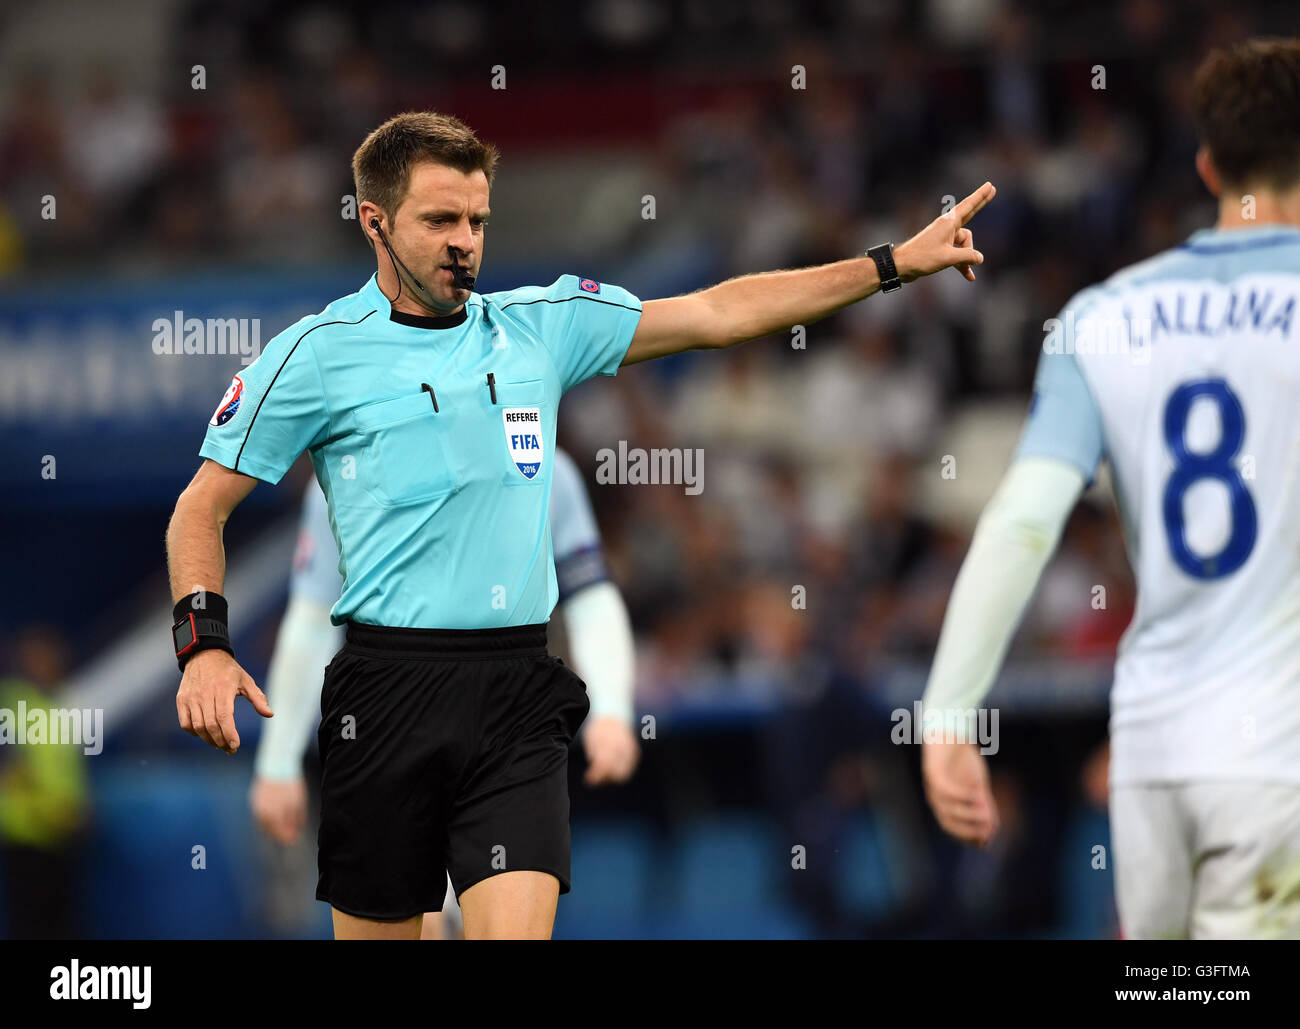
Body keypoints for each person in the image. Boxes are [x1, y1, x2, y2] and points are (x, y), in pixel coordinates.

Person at [166, 109, 993, 939]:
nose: (465, 242)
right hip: (385, 697)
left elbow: (718, 313)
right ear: (373, 222)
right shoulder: (314, 355)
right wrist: (203, 645)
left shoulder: (542, 326)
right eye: (440, 220)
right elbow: (200, 508)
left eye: (478, 220)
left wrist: (892, 264)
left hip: (518, 690)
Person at [920, 38, 1300, 939]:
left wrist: (945, 714)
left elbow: (1020, 521)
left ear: (1209, 164)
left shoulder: (1101, 316)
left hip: (1153, 750)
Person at [249, 450, 638, 939]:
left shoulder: (540, 463)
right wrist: (278, 762)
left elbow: (591, 595)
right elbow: (311, 618)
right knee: (422, 923)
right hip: (392, 732)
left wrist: (613, 711)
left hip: (509, 731)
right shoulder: (349, 469)